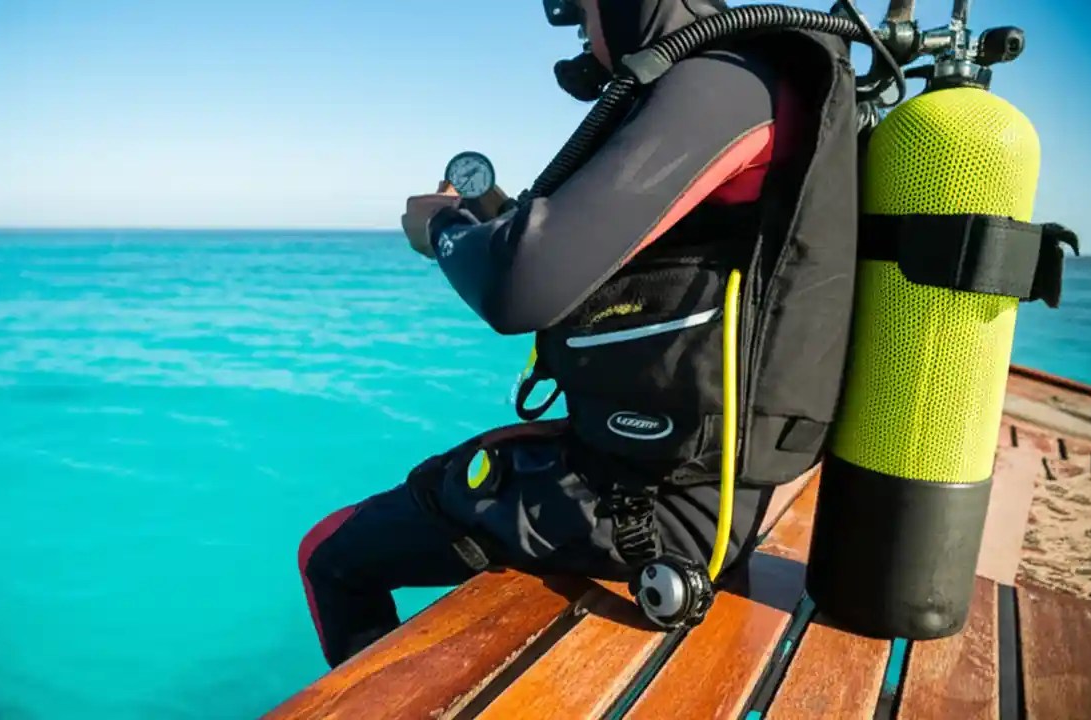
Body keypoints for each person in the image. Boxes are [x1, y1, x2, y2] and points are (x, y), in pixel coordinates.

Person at [299, 0, 858, 668]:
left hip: (663, 506)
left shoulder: (719, 82)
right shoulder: (751, 79)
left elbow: (519, 289)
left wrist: (444, 229)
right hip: (698, 466)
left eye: (582, 12)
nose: (582, 36)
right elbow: (621, 265)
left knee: (330, 552)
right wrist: (496, 220)